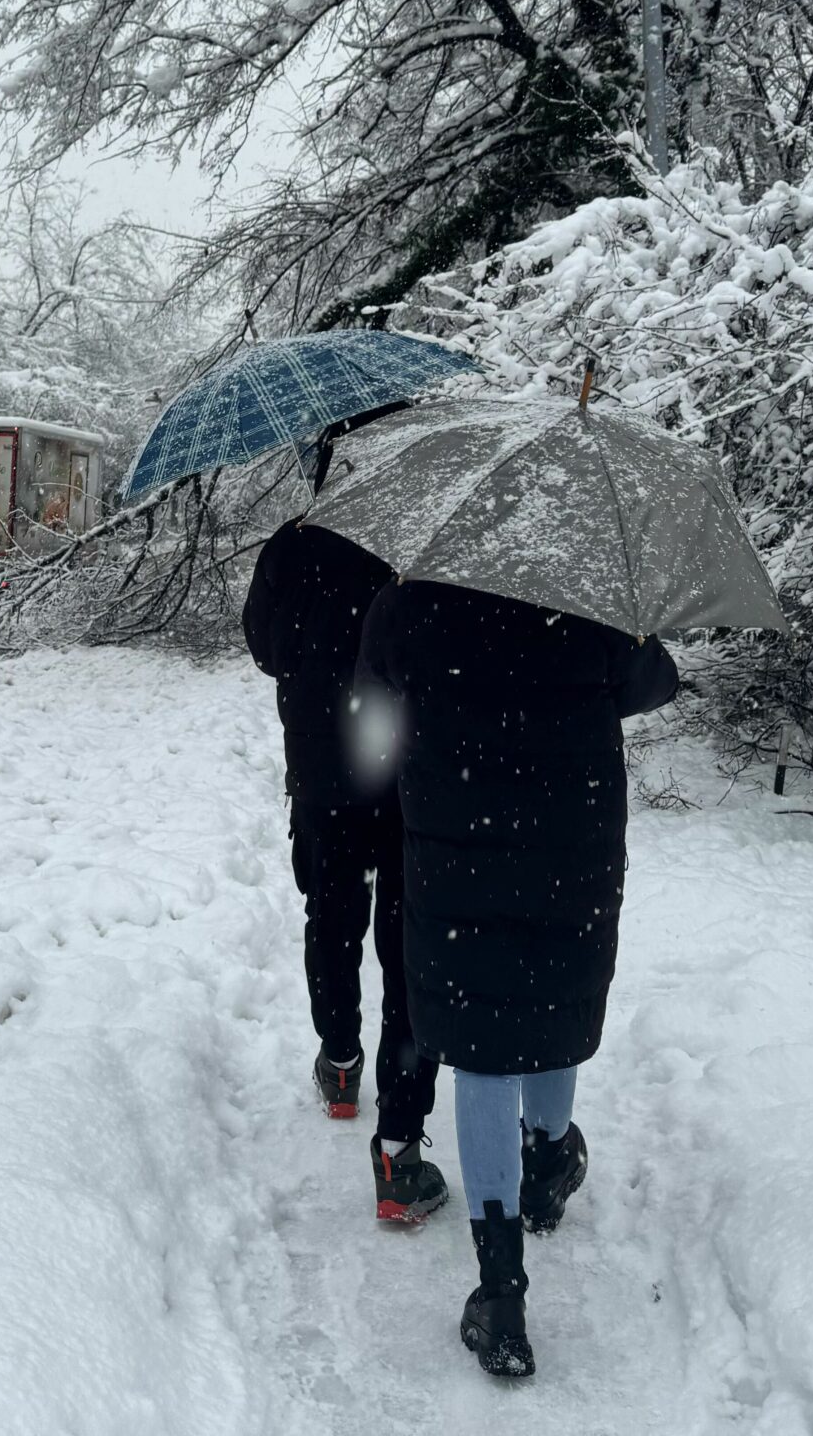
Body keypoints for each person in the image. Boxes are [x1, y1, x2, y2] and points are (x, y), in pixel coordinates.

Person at [356, 579, 679, 1378]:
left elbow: (373, 680)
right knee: (550, 997)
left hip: (458, 849)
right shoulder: (597, 593)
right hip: (570, 841)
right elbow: (657, 682)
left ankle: (500, 1292)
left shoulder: (416, 598)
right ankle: (547, 1164)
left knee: (483, 1040)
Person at [242, 517, 446, 1224]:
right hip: (405, 779)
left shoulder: (293, 543)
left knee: (331, 915)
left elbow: (264, 647)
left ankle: (338, 1061)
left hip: (325, 774)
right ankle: (400, 1138)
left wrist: (316, 659)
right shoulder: (420, 542)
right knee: (407, 942)